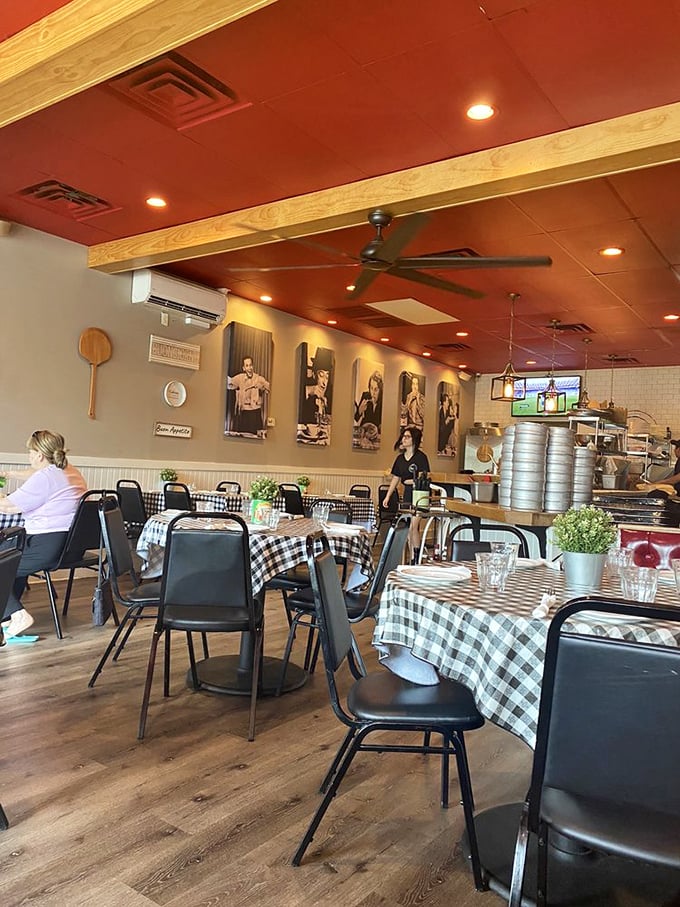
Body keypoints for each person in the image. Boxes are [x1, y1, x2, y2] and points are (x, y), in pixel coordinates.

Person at [0, 431, 87, 637]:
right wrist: (9, 474)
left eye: (31, 451)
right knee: (8, 553)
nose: (29, 455)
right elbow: (34, 474)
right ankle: (8, 615)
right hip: (71, 547)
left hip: (47, 546)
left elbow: (8, 507)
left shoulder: (46, 478)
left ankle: (18, 614)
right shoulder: (69, 470)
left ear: (39, 455)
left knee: (5, 560)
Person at [382, 427, 430, 558]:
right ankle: (412, 557)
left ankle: (416, 557)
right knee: (409, 529)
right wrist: (388, 496)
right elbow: (396, 478)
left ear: (414, 440)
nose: (404, 438)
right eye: (403, 436)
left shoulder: (421, 458)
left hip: (420, 494)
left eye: (407, 436)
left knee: (413, 527)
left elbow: (422, 478)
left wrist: (409, 481)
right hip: (408, 495)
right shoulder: (399, 459)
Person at [227, 355, 270, 437]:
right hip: (244, 413)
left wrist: (262, 387)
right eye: (247, 365)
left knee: (256, 439)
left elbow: (269, 387)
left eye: (250, 365)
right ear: (244, 368)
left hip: (255, 413)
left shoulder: (259, 378)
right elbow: (229, 383)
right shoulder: (240, 378)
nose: (249, 368)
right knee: (242, 437)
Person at [298, 348, 333, 445]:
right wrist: (310, 390)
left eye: (327, 376)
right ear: (314, 375)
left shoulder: (330, 395)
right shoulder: (306, 391)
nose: (324, 383)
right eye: (321, 375)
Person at [353, 371, 383, 450]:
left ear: (381, 390)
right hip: (364, 435)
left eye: (376, 389)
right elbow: (356, 417)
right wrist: (360, 411)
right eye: (371, 388)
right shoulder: (365, 396)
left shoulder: (383, 401)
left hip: (377, 438)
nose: (372, 392)